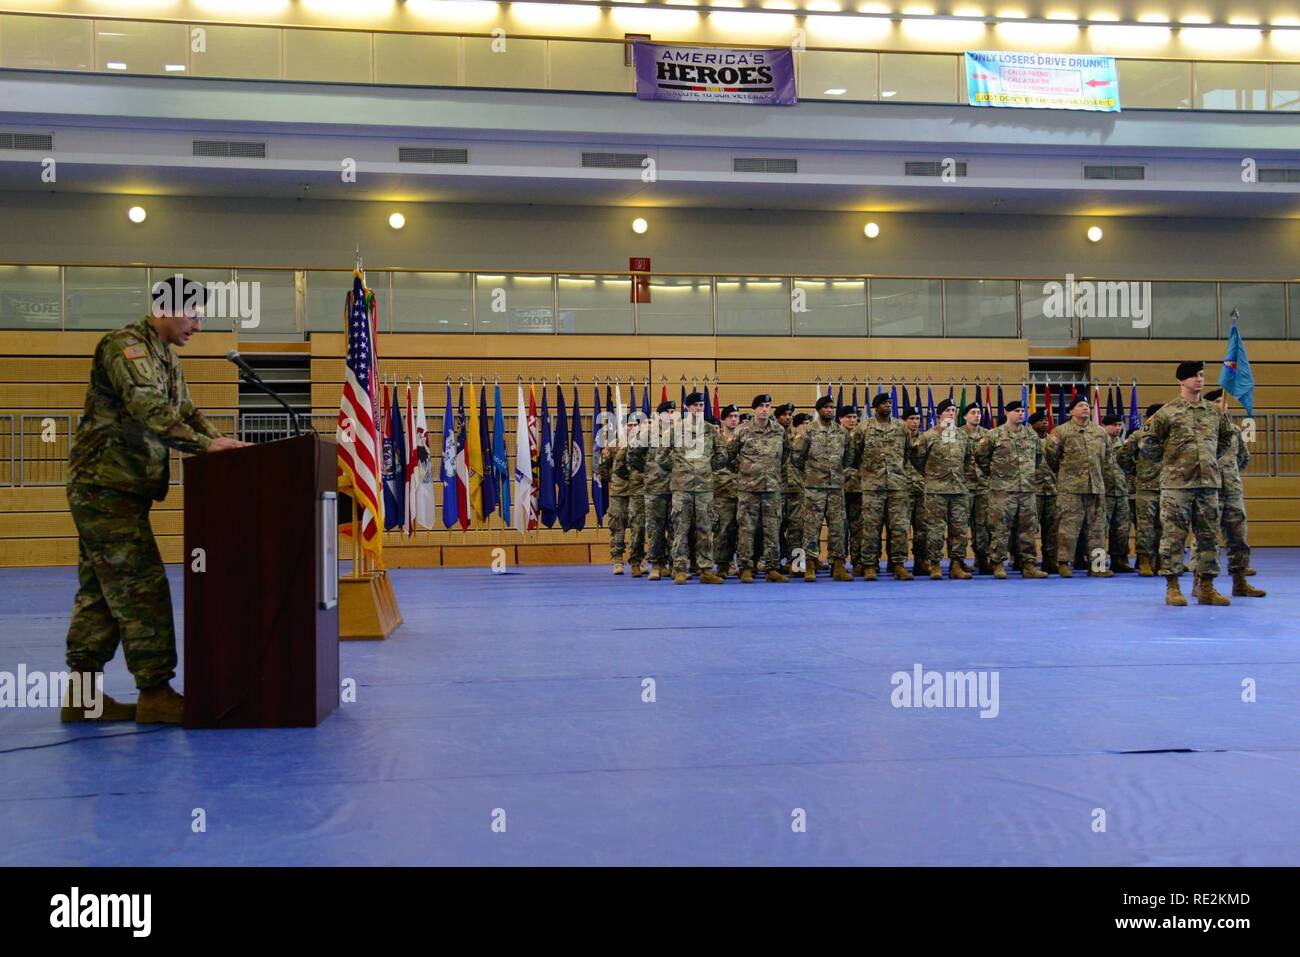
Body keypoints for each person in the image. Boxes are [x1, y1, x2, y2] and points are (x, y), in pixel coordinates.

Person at [63, 275, 249, 725]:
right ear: (165, 308)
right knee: (141, 588)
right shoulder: (125, 346)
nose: (198, 326)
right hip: (105, 488)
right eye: (193, 314)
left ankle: (82, 699)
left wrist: (220, 441)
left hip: (118, 489)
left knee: (102, 594)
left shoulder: (163, 355)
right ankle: (155, 691)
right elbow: (148, 409)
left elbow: (184, 411)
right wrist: (203, 447)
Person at [1141, 361, 1236, 606]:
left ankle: (1206, 586)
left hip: (1207, 484)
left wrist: (1207, 459)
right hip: (1177, 486)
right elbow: (1148, 443)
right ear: (1181, 381)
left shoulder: (1214, 411)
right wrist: (1171, 463)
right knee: (1173, 536)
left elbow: (1226, 438)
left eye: (1202, 375)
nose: (1199, 380)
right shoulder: (1167, 412)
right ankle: (1172, 587)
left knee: (1208, 537)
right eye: (1194, 376)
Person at [975, 401, 1047, 579]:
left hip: (1027, 490)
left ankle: (1029, 564)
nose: (1021, 413)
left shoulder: (1031, 435)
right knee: (1000, 528)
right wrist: (995, 475)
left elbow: (1038, 458)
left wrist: (1027, 476)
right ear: (1007, 412)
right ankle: (998, 563)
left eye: (1023, 410)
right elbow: (981, 457)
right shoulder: (994, 435)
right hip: (1002, 491)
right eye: (1017, 411)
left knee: (1028, 528)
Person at [1204, 388, 1265, 598]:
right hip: (1209, 490)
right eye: (1217, 401)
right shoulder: (1203, 430)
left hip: (1232, 490)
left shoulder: (1235, 431)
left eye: (1223, 401)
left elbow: (1243, 459)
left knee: (1238, 538)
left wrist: (1230, 474)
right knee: (1206, 539)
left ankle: (1239, 582)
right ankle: (1201, 584)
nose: (1223, 404)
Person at [1045, 396, 1114, 578]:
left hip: (1096, 487)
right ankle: (1063, 563)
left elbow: (1108, 459)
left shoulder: (1100, 432)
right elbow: (1052, 457)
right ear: (1071, 411)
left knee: (1098, 529)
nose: (1085, 408)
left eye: (1086, 405)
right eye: (1080, 405)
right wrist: (1066, 476)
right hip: (1071, 489)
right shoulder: (1061, 431)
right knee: (1067, 528)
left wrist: (1101, 480)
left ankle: (1097, 566)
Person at [851, 392, 914, 581]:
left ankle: (898, 564)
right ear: (876, 406)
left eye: (890, 403)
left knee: (899, 527)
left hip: (897, 486)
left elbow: (907, 452)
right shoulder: (864, 428)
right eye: (884, 403)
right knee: (871, 527)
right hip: (873, 487)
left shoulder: (901, 427)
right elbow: (855, 455)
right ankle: (870, 564)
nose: (888, 405)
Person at [728, 394, 791, 583]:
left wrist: (772, 473)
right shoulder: (742, 430)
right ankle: (746, 567)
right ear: (754, 409)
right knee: (746, 529)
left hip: (772, 489)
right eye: (761, 406)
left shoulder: (779, 430)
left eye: (768, 405)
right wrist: (745, 471)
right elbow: (729, 455)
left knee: (772, 529)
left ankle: (771, 567)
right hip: (748, 490)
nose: (765, 409)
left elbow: (785, 454)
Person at [910, 398, 974, 580]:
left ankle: (956, 565)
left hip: (959, 491)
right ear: (939, 415)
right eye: (948, 410)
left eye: (954, 410)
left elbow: (968, 460)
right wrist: (932, 476)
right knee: (935, 531)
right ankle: (936, 564)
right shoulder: (928, 436)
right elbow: (917, 460)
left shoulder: (962, 436)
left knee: (959, 531)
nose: (952, 413)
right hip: (936, 491)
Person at [666, 392, 725, 585]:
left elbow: (722, 455)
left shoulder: (710, 430)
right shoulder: (675, 430)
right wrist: (679, 469)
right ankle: (680, 568)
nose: (699, 409)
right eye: (695, 406)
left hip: (704, 489)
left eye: (701, 405)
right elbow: (661, 457)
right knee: (680, 529)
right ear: (687, 407)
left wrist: (706, 468)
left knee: (705, 529)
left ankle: (706, 569)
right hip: (681, 489)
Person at [794, 396, 853, 582]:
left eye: (832, 407)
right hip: (814, 488)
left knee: (838, 528)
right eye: (826, 407)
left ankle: (838, 565)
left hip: (836, 487)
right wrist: (812, 474)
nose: (830, 410)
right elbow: (797, 458)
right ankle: (810, 564)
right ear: (818, 410)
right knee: (811, 527)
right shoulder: (809, 432)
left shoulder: (841, 432)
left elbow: (848, 458)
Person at [629, 400, 676, 581]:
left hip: (675, 487)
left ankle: (673, 564)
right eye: (667, 412)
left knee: (674, 529)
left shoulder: (680, 434)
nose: (671, 415)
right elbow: (633, 455)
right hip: (654, 488)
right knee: (655, 528)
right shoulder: (647, 433)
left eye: (673, 411)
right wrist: (648, 472)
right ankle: (656, 564)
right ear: (658, 415)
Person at [1118, 403, 1163, 577]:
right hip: (1146, 487)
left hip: (1168, 486)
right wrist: (1136, 472)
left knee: (1165, 527)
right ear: (1149, 417)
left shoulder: (1172, 436)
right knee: (1146, 526)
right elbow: (1122, 456)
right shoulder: (1139, 435)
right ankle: (1144, 561)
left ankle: (1161, 561)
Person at [599, 416, 645, 576]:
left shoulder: (643, 445)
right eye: (629, 425)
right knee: (617, 526)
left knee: (638, 528)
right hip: (618, 493)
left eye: (634, 425)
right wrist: (614, 478)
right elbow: (602, 468)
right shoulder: (612, 446)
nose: (631, 428)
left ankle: (637, 561)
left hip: (637, 492)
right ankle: (617, 561)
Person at [960, 402, 992, 574]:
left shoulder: (989, 434)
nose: (977, 415)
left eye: (979, 412)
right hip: (962, 486)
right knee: (960, 525)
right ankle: (959, 560)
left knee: (983, 526)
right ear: (965, 416)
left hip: (983, 486)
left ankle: (982, 558)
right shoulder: (956, 434)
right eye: (973, 412)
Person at [1101, 413, 1135, 573]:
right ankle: (1098, 563)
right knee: (1099, 530)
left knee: (1122, 529)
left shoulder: (1123, 444)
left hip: (1121, 491)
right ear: (1104, 426)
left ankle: (1118, 560)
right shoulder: (1099, 443)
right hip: (1104, 492)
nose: (1118, 428)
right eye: (1114, 425)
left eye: (1119, 425)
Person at [712, 403, 741, 577]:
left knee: (743, 530)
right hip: (722, 491)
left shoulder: (744, 437)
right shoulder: (716, 440)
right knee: (723, 529)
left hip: (744, 489)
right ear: (723, 420)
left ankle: (744, 563)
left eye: (736, 416)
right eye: (730, 416)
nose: (734, 419)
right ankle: (724, 563)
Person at [901, 406, 928, 575]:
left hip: (922, 489)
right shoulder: (897, 438)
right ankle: (897, 562)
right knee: (900, 529)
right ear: (904, 421)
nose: (915, 422)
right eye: (911, 418)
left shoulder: (926, 439)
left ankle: (921, 561)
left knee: (923, 529)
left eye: (917, 419)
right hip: (902, 490)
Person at [776, 403, 802, 575]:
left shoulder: (800, 436)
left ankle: (796, 564)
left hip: (796, 488)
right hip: (776, 488)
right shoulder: (771, 435)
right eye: (784, 414)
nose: (787, 417)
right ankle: (773, 562)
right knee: (774, 528)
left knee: (797, 528)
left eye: (790, 414)